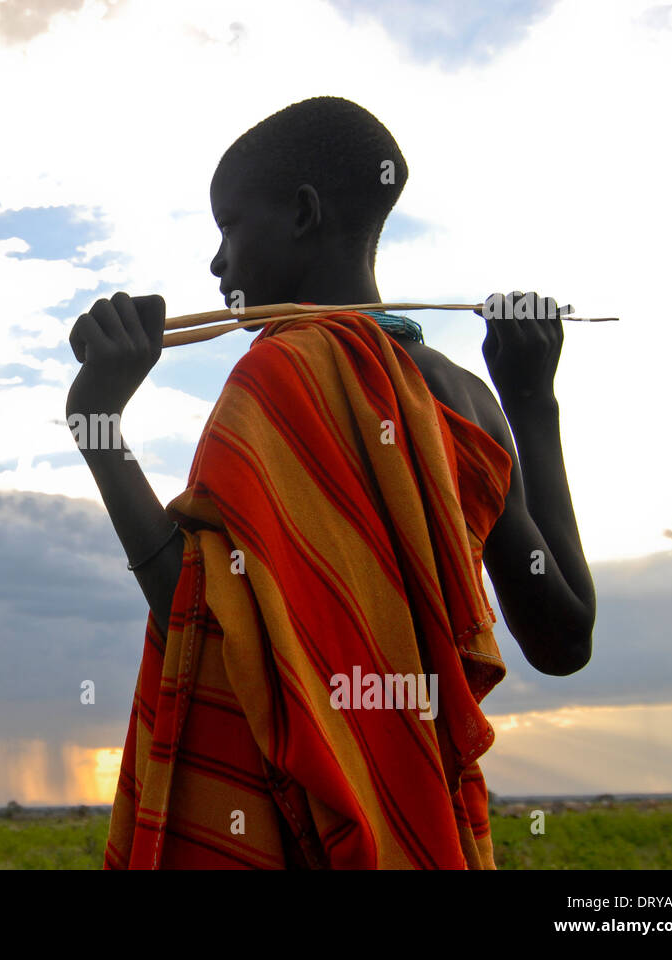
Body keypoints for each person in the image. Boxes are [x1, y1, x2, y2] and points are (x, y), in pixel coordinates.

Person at [66, 96, 596, 869]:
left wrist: (98, 425)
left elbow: (201, 612)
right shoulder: (465, 396)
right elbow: (564, 639)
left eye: (228, 227)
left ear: (304, 214)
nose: (216, 264)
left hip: (300, 826)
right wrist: (531, 402)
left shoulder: (284, 373)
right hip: (424, 829)